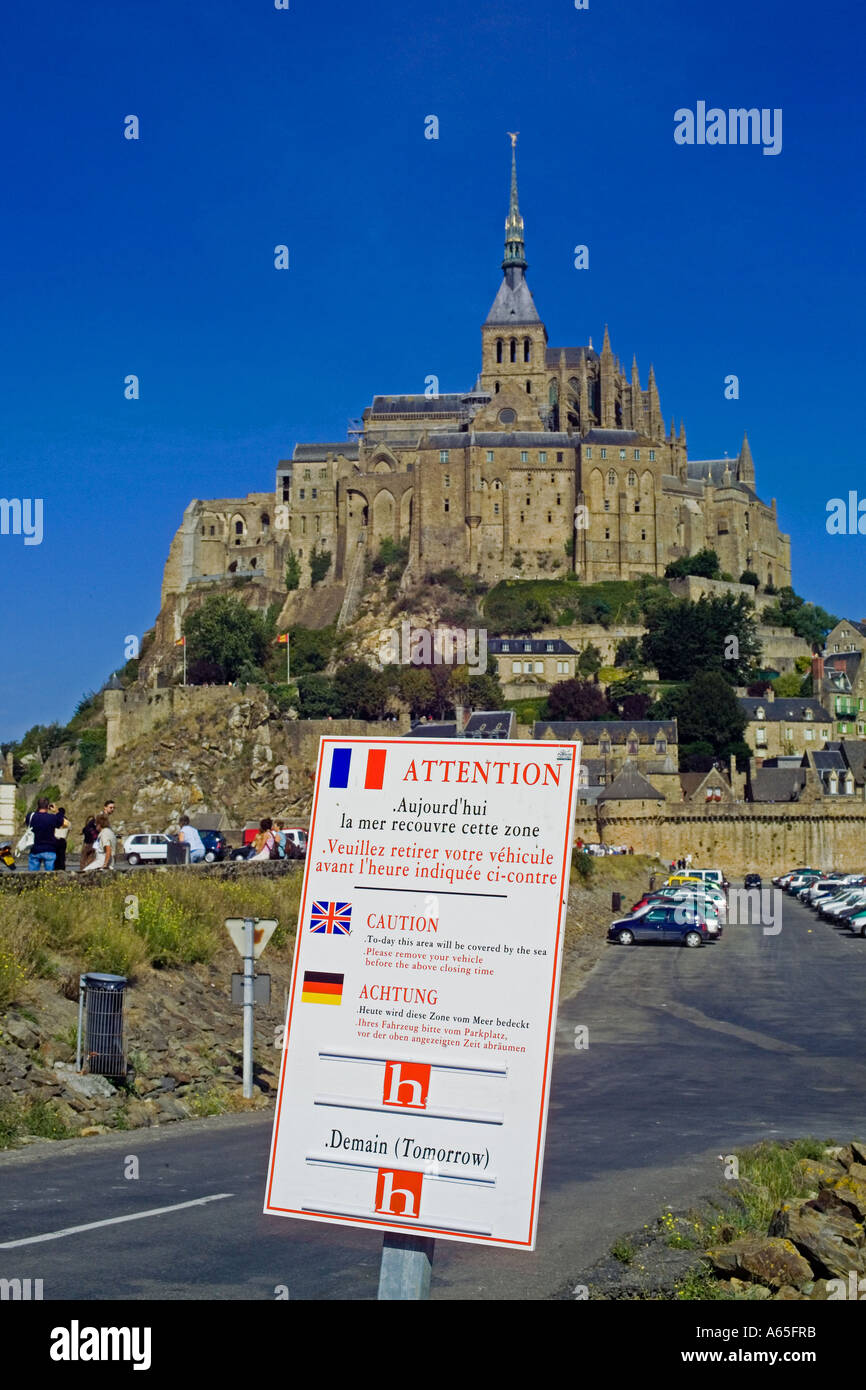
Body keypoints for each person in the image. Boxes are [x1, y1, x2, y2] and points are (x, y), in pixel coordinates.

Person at [26, 798, 65, 872]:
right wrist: (57, 811)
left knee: (32, 875)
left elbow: (28, 822)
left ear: (38, 806)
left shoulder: (30, 816)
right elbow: (61, 822)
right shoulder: (52, 818)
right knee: (50, 876)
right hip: (49, 849)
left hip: (35, 849)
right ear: (48, 806)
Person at [50, 804, 70, 871]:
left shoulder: (56, 820)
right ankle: (62, 869)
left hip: (55, 840)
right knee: (62, 857)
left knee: (55, 857)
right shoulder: (68, 822)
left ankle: (55, 869)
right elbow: (69, 830)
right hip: (63, 840)